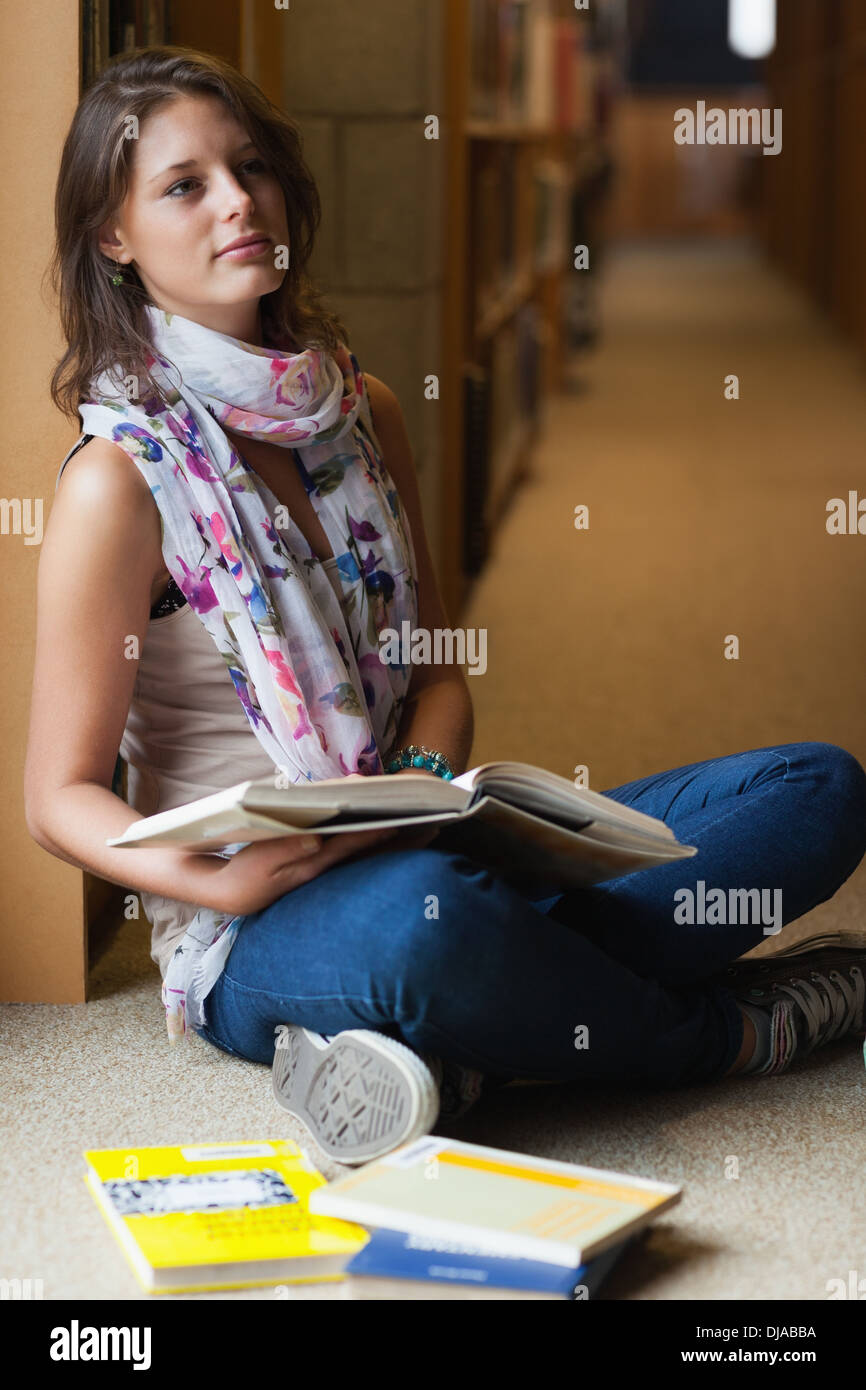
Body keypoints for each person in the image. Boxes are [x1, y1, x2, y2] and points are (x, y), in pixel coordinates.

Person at [25, 47, 866, 1171]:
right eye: (185, 185)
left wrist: (422, 796)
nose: (238, 202)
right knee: (421, 924)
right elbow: (56, 797)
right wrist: (212, 877)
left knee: (814, 789)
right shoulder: (116, 481)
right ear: (114, 237)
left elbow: (433, 671)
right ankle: (719, 1032)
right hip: (253, 925)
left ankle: (468, 1045)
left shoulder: (364, 409)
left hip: (428, 838)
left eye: (254, 167)